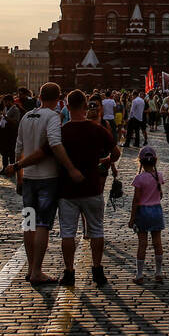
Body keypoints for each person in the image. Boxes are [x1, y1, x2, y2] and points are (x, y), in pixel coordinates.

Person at [13, 83, 84, 285]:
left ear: (40, 96)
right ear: (58, 98)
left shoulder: (26, 116)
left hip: (27, 178)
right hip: (47, 179)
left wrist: (19, 176)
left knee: (28, 223)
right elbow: (54, 142)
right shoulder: (53, 117)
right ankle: (37, 271)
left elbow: (18, 148)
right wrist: (70, 168)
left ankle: (29, 267)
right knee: (43, 224)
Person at [57, 90, 119, 287]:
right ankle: (97, 270)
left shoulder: (62, 130)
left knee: (67, 233)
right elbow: (116, 152)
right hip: (92, 187)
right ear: (85, 107)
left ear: (67, 107)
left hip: (67, 189)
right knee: (97, 230)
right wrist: (106, 161)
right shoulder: (96, 129)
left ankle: (68, 272)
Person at [129, 145, 166, 284]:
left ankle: (139, 274)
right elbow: (160, 193)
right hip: (156, 211)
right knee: (157, 243)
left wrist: (132, 217)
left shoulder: (139, 179)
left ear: (140, 161)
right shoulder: (159, 176)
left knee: (142, 244)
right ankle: (158, 272)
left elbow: (136, 200)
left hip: (143, 212)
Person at [0, 93, 21, 176]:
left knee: (11, 153)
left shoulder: (15, 110)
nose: (5, 104)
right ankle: (4, 168)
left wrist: (6, 118)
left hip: (11, 134)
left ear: (10, 101)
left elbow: (16, 122)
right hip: (4, 133)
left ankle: (11, 169)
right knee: (4, 152)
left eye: (6, 102)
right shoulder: (6, 109)